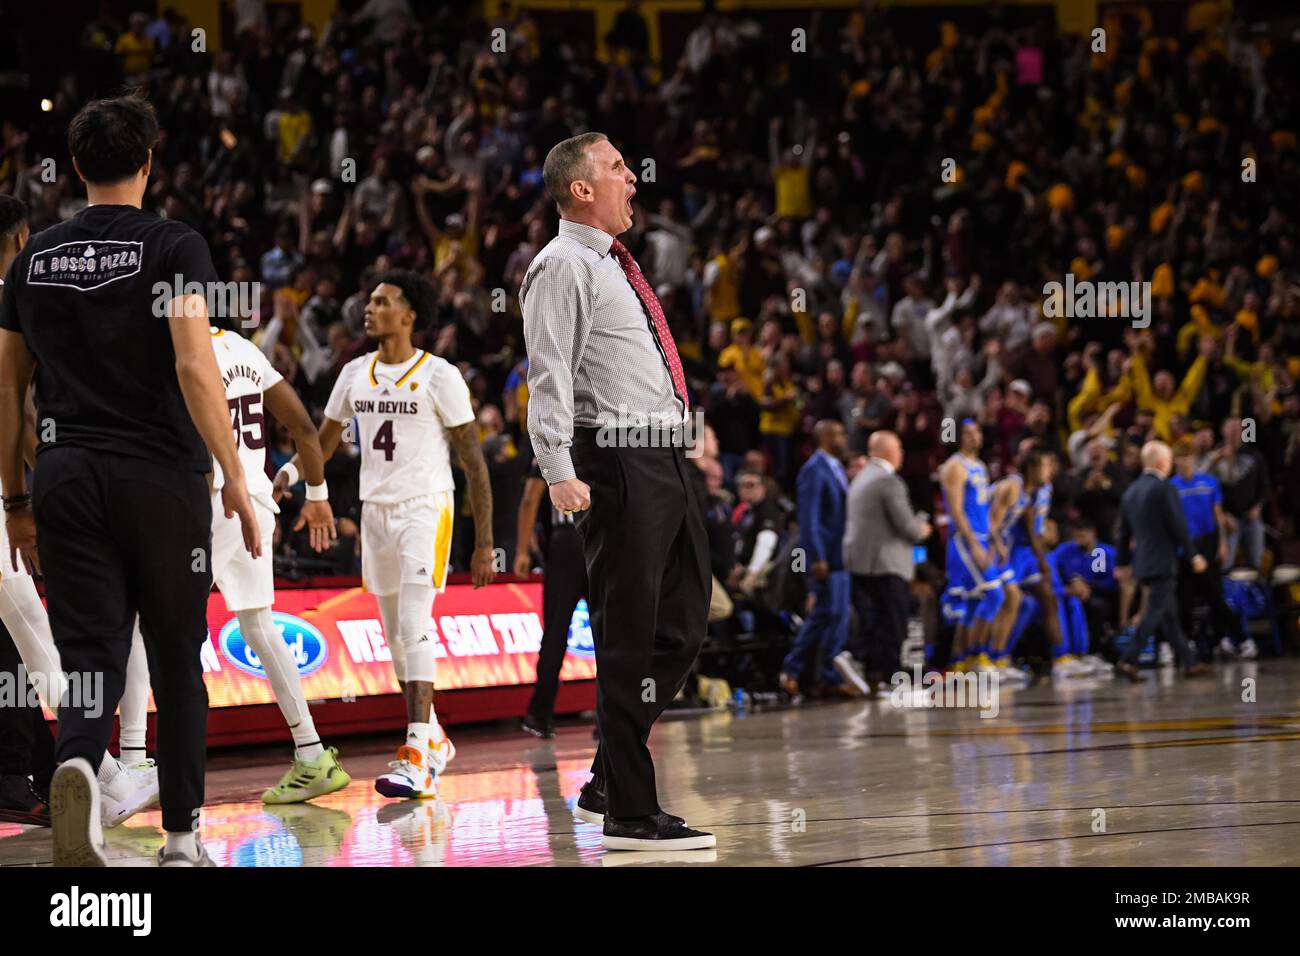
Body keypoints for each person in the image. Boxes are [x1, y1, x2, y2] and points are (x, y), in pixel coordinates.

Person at [0, 94, 261, 867]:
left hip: (65, 475)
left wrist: (14, 499)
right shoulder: (175, 246)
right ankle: (181, 837)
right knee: (177, 655)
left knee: (88, 653)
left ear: (77, 167)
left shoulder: (31, 259)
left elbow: (8, 392)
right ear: (149, 161)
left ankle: (78, 761)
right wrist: (236, 477)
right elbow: (193, 364)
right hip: (159, 477)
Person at [521, 132, 713, 851]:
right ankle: (631, 812)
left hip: (666, 460)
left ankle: (609, 774)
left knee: (684, 628)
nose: (633, 179)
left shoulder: (612, 265)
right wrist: (558, 467)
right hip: (616, 462)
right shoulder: (561, 266)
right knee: (629, 638)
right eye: (619, 169)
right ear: (581, 189)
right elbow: (549, 373)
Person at [278, 270, 496, 799]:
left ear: (410, 315)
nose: (369, 309)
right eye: (369, 300)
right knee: (397, 637)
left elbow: (473, 462)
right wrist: (286, 477)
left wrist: (486, 541)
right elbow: (322, 443)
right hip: (375, 512)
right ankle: (436, 737)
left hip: (426, 507)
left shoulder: (440, 375)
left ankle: (418, 746)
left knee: (417, 626)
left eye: (382, 302)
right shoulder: (354, 372)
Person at [209, 326, 352, 802]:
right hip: (254, 497)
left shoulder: (181, 349)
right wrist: (316, 493)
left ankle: (132, 761)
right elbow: (306, 428)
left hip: (214, 500)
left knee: (151, 626)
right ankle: (311, 752)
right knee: (259, 626)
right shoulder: (243, 347)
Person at [1113, 441, 1212, 682]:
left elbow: (1122, 533)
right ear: (1161, 462)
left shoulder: (1131, 491)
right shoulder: (1164, 488)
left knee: (1169, 615)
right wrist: (1193, 554)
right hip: (1163, 561)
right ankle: (1129, 659)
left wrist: (1123, 562)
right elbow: (1178, 525)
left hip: (1144, 562)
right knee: (1155, 612)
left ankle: (1189, 662)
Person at [843, 430, 931, 692]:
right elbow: (908, 527)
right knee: (894, 621)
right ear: (887, 451)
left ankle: (869, 669)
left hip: (863, 562)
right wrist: (923, 528)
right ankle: (889, 676)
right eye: (899, 447)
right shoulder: (888, 481)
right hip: (885, 563)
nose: (902, 453)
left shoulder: (862, 478)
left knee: (878, 619)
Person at [778, 420, 856, 697]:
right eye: (838, 432)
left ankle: (823, 675)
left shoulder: (836, 468)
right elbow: (808, 519)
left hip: (841, 554)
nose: (843, 437)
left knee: (835, 615)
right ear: (824, 436)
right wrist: (817, 557)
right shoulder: (813, 470)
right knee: (827, 613)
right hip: (827, 557)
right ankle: (798, 671)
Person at [514, 458, 587, 739]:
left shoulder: (551, 443)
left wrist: (521, 550)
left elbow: (530, 499)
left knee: (555, 631)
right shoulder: (606, 434)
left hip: (567, 542)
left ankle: (539, 714)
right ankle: (612, 719)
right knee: (608, 634)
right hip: (599, 538)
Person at [1169, 438, 1251, 660]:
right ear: (1175, 460)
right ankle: (1187, 645)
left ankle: (1238, 639)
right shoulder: (1171, 487)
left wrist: (1223, 543)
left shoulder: (1209, 482)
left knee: (1215, 596)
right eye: (1180, 458)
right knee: (1183, 599)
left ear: (1194, 459)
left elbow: (1218, 514)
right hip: (1183, 547)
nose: (1185, 461)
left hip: (1208, 543)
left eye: (1188, 457)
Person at [940, 419, 1002, 671]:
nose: (973, 437)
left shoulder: (981, 466)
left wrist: (995, 539)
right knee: (995, 594)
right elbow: (956, 511)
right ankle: (979, 654)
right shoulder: (955, 466)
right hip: (965, 540)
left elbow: (983, 509)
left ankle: (960, 660)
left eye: (977, 432)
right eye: (967, 433)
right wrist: (975, 544)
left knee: (972, 602)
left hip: (982, 536)